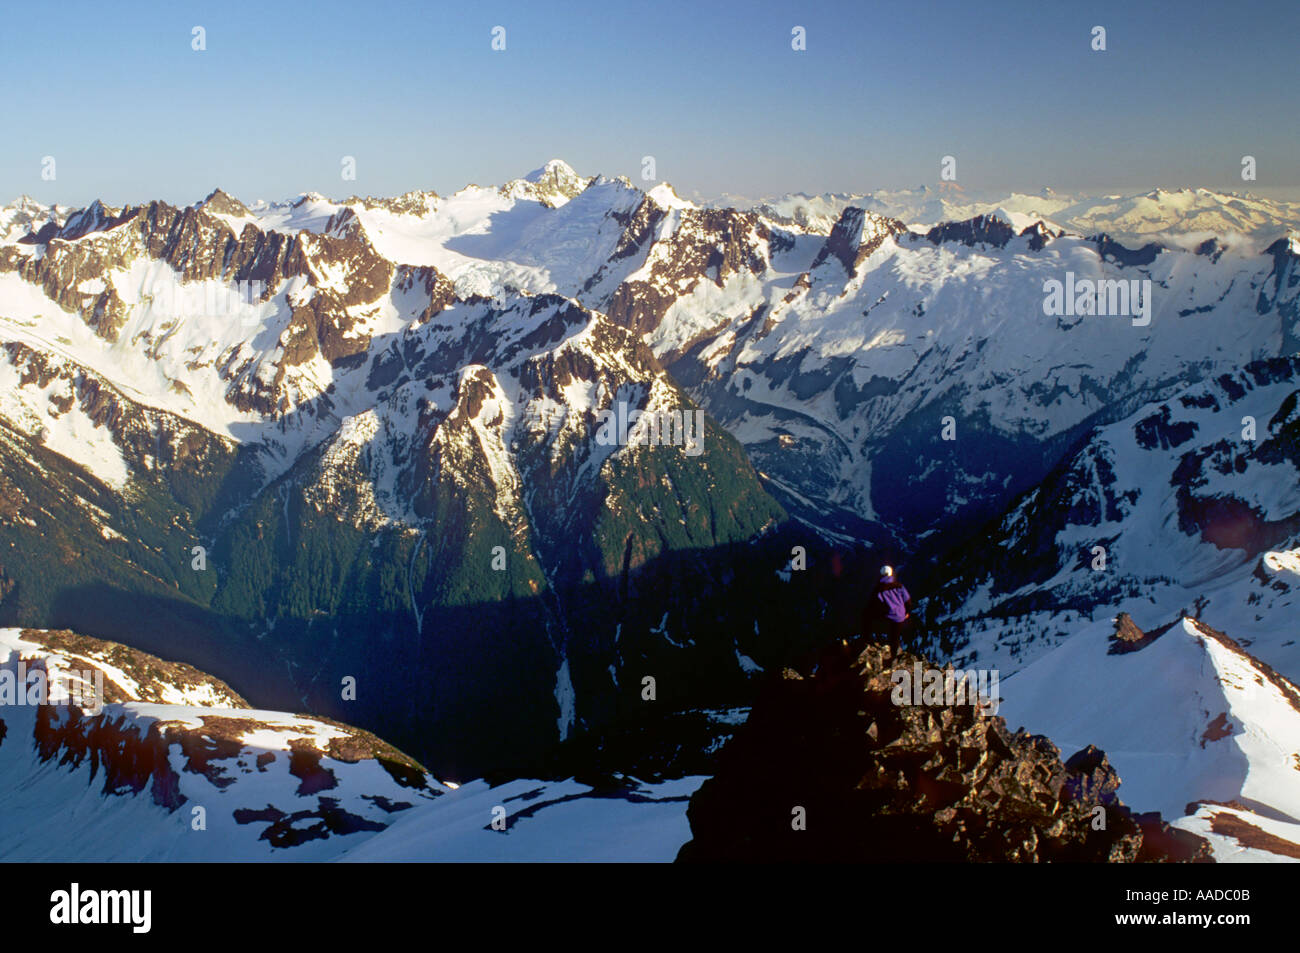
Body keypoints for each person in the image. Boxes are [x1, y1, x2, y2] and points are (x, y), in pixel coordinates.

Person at [865, 565, 914, 650]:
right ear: (891, 574)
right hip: (900, 616)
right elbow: (908, 600)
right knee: (896, 638)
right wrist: (907, 613)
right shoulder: (900, 586)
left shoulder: (878, 589)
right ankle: (899, 656)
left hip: (887, 617)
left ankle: (870, 641)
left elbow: (872, 605)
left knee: (867, 618)